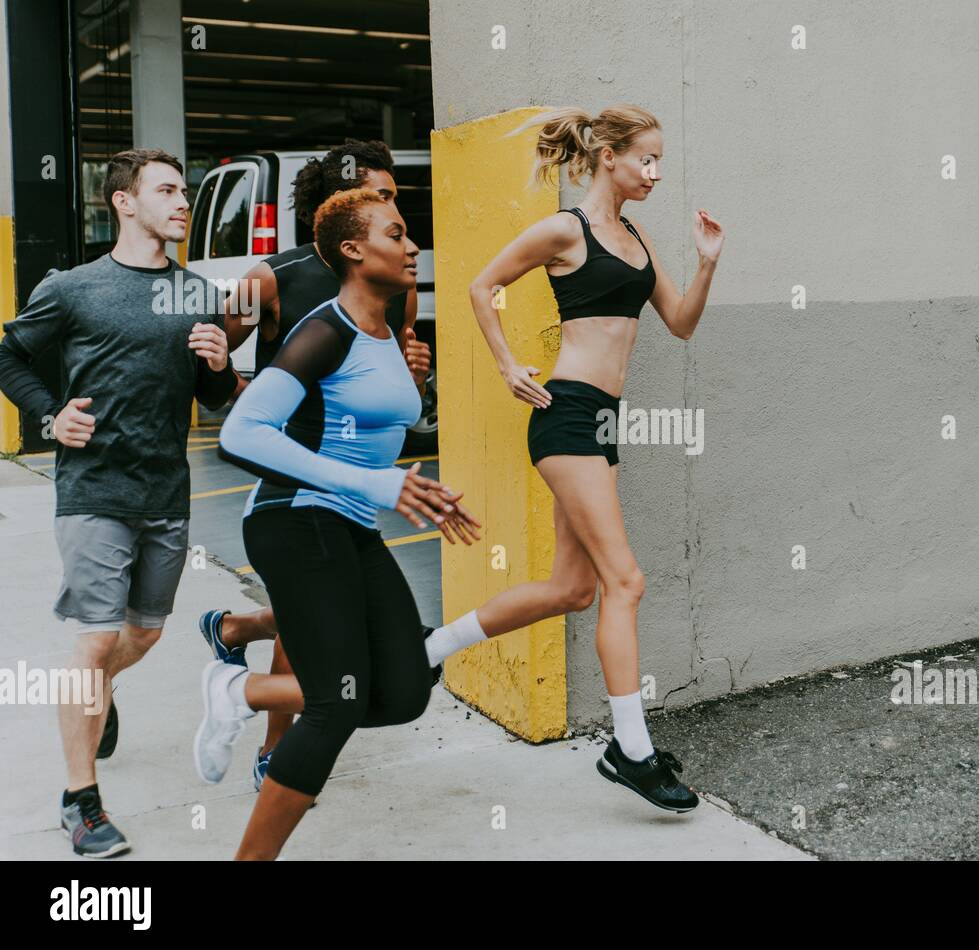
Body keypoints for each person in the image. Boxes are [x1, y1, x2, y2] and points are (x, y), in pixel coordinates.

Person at [421, 104, 724, 812]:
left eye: (660, 161)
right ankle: (632, 750)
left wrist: (707, 264)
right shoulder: (568, 229)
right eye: (644, 158)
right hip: (568, 418)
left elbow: (679, 323)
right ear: (608, 156)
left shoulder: (637, 235)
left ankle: (428, 650)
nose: (654, 173)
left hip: (603, 422)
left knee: (574, 589)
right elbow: (480, 286)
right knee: (627, 582)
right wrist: (506, 366)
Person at [206, 188, 479, 859]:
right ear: (354, 251)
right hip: (294, 520)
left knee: (407, 690)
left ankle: (239, 689)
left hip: (349, 525)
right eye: (396, 233)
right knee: (334, 705)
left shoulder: (391, 328)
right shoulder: (324, 329)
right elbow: (242, 432)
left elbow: (379, 422)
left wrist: (414, 454)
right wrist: (377, 482)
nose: (412, 246)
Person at [0, 148, 237, 856]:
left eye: (185, 192)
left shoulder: (197, 292)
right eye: (167, 190)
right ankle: (82, 802)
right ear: (124, 203)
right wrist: (48, 418)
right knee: (96, 638)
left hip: (165, 486)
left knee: (144, 635)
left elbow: (211, 398)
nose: (183, 202)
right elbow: (7, 354)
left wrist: (221, 369)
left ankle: (95, 693)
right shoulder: (74, 288)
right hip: (92, 488)